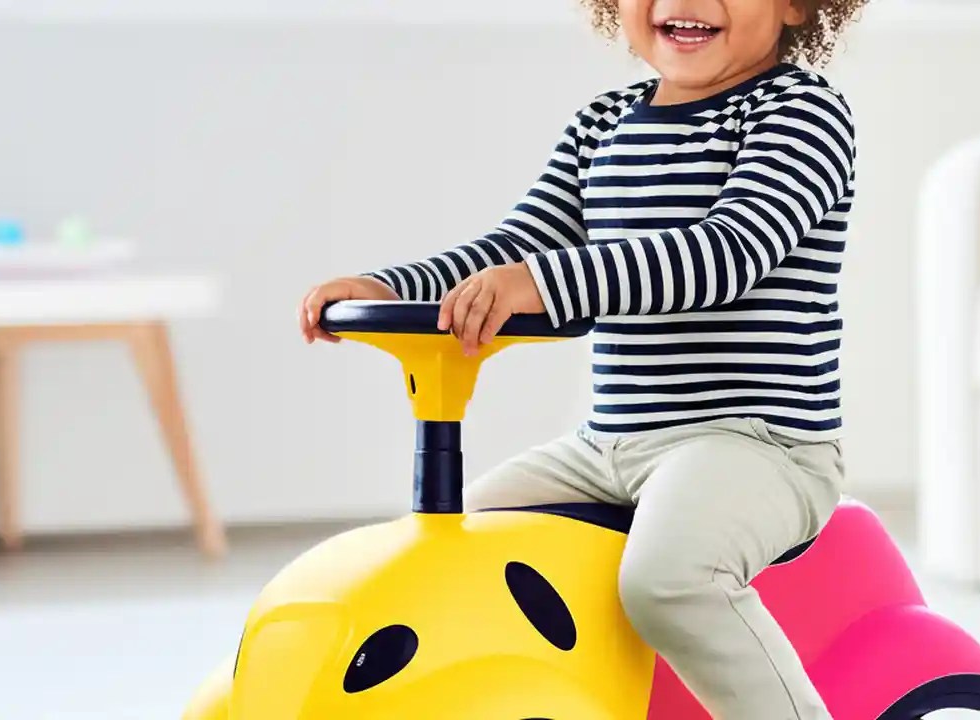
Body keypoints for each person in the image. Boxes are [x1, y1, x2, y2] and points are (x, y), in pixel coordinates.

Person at [299, 1, 867, 717]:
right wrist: (393, 286)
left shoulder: (800, 113)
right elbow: (517, 246)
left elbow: (726, 252)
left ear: (796, 4)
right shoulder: (604, 124)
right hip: (607, 446)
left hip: (756, 442)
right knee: (455, 544)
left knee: (669, 579)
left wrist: (541, 282)